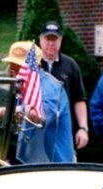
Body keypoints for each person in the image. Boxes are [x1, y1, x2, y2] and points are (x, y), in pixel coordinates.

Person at [0, 41, 74, 164]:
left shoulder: (51, 89)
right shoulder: (20, 87)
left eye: (19, 67)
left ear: (36, 68)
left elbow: (38, 115)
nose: (13, 72)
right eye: (11, 66)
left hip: (55, 166)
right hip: (28, 163)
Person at [38, 21, 89, 152]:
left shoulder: (70, 65)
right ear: (40, 39)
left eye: (54, 39)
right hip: (36, 132)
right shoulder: (32, 64)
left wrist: (83, 128)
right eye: (47, 39)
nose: (51, 43)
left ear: (60, 40)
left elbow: (79, 99)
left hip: (63, 132)